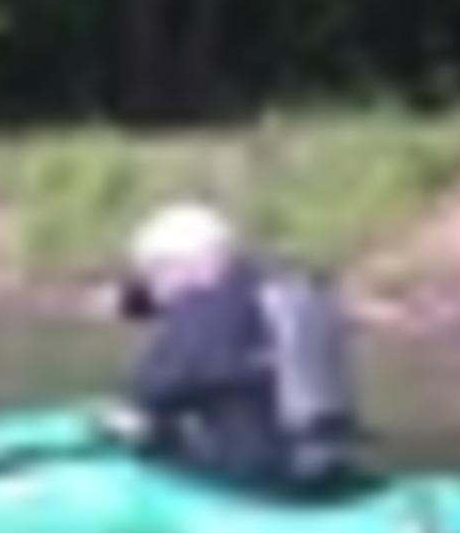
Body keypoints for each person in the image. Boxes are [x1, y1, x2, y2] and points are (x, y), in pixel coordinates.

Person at [104, 202, 363, 496]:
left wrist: (123, 415)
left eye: (156, 272)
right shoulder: (292, 288)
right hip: (322, 467)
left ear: (185, 265)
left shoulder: (204, 307)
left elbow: (151, 394)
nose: (156, 290)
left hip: (254, 478)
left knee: (133, 433)